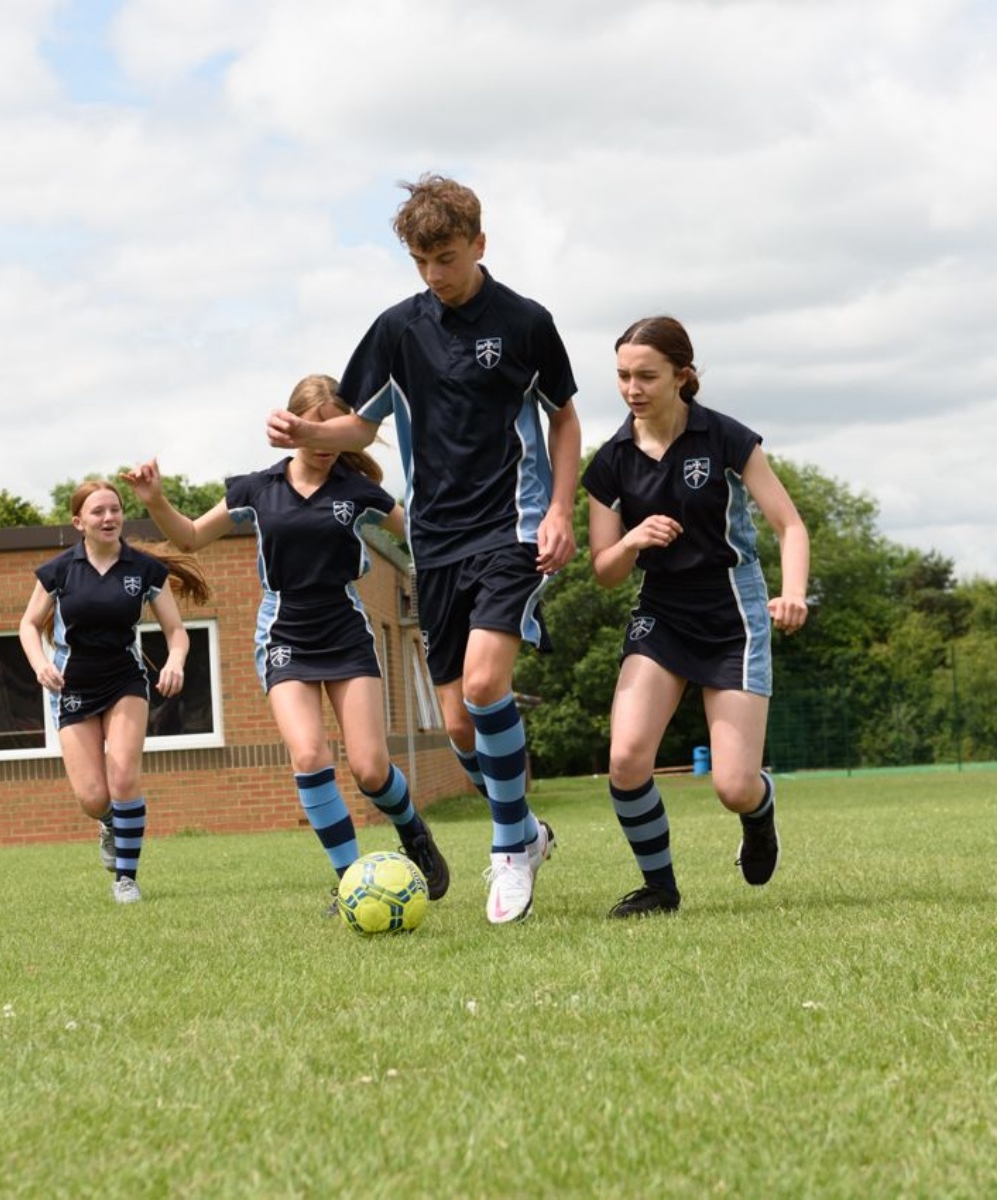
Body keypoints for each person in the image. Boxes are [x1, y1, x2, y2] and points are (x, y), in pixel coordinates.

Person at [267, 175, 582, 925]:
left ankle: (509, 850)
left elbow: (564, 419)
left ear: (479, 243)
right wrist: (311, 434)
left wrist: (562, 509)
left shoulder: (528, 322)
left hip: (510, 529)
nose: (435, 275)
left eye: (445, 256)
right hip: (433, 546)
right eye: (420, 261)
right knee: (460, 727)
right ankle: (530, 829)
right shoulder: (397, 329)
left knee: (483, 684)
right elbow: (360, 424)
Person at [122, 374, 450, 912]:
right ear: (291, 427)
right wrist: (155, 500)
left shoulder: (358, 491)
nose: (323, 447)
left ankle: (413, 832)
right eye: (313, 433)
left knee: (370, 767)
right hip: (285, 634)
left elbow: (422, 534)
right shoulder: (257, 489)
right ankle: (351, 883)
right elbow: (188, 537)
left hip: (345, 630)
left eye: (333, 434)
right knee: (308, 753)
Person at [582, 316, 810, 917]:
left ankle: (759, 817)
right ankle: (660, 888)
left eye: (646, 376)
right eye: (623, 376)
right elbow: (603, 570)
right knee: (626, 759)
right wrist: (631, 541)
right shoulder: (610, 462)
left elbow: (790, 525)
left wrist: (793, 593)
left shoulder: (727, 439)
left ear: (682, 377)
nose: (632, 388)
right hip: (661, 615)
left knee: (733, 785)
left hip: (733, 613)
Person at [19, 479, 210, 904]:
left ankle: (126, 878)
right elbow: (29, 625)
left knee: (123, 775)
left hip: (125, 679)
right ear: (79, 522)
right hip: (73, 683)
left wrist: (175, 660)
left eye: (115, 510)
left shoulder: (143, 569)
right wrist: (40, 664)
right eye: (98, 512)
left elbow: (176, 631)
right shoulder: (59, 570)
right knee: (92, 797)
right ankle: (109, 822)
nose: (109, 518)